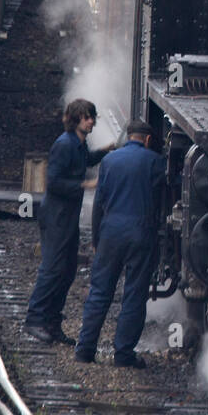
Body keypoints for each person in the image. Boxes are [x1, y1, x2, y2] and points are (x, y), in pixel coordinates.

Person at [74, 119, 166, 367]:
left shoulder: (109, 161)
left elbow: (98, 203)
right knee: (134, 294)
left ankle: (85, 350)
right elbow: (161, 202)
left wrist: (96, 238)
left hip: (110, 232)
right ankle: (123, 354)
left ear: (128, 137)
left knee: (100, 291)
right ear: (147, 140)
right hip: (140, 232)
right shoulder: (155, 162)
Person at [24, 99, 111, 343]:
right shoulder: (64, 145)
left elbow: (86, 160)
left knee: (67, 269)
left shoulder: (79, 144)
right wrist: (85, 184)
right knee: (52, 268)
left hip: (68, 216)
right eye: (87, 117)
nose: (91, 121)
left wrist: (107, 150)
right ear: (76, 119)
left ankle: (52, 321)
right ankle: (34, 319)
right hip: (57, 216)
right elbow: (54, 182)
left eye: (93, 117)